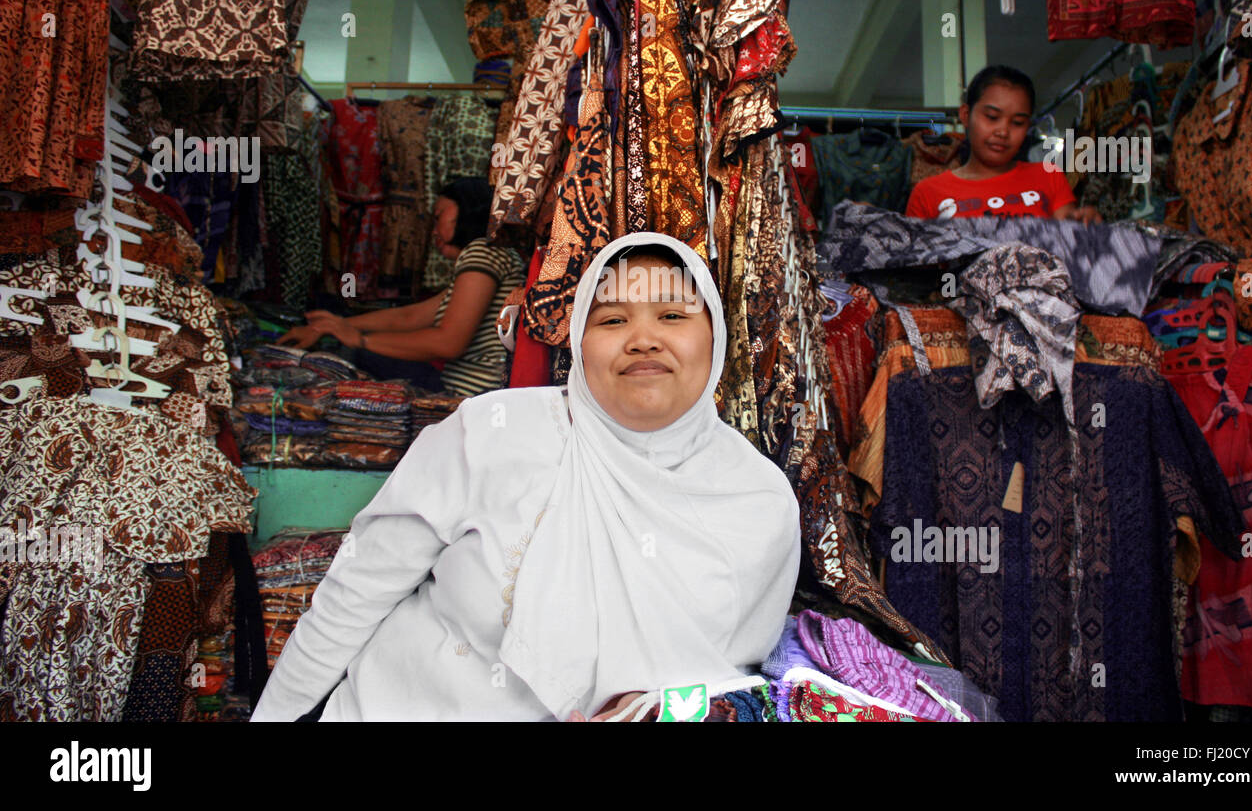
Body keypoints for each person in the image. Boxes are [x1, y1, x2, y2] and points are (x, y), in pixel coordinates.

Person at [249, 232, 801, 721]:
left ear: (716, 338)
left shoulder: (758, 500)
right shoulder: (491, 433)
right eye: (612, 319)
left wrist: (647, 709)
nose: (643, 339)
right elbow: (355, 594)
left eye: (673, 316)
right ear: (578, 342)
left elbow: (732, 680)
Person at [279, 177, 523, 396]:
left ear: (468, 209)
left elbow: (449, 343)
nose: (433, 231)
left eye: (438, 217)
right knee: (349, 347)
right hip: (470, 390)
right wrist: (336, 325)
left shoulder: (483, 251)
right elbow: (411, 316)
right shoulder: (489, 258)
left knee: (351, 356)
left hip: (468, 395)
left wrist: (360, 340)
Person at [905, 65, 1103, 224]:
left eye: (1017, 122)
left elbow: (1068, 241)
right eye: (992, 117)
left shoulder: (1048, 176)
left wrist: (1085, 224)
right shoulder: (927, 193)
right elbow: (916, 259)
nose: (1003, 132)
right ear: (965, 115)